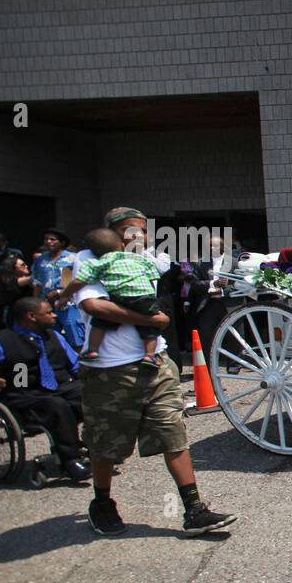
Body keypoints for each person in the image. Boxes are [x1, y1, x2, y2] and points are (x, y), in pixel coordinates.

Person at [72, 220, 236, 537]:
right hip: (111, 369)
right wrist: (151, 318)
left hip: (155, 362)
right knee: (107, 444)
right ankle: (102, 502)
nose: (141, 235)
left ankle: (194, 510)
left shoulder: (142, 255)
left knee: (172, 433)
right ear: (114, 233)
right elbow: (93, 305)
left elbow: (164, 268)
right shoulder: (89, 258)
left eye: (143, 230)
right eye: (131, 230)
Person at [0, 297, 90, 481]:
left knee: (89, 394)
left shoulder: (54, 336)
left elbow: (75, 365)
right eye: (49, 312)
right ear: (31, 316)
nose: (53, 316)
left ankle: (97, 445)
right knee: (55, 405)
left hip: (58, 387)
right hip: (21, 394)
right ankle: (70, 460)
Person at [63, 228, 165, 365]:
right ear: (122, 245)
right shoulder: (137, 258)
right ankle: (150, 355)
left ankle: (93, 350)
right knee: (150, 328)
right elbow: (153, 274)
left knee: (100, 322)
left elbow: (80, 281)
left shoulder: (97, 262)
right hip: (144, 296)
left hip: (119, 297)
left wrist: (65, 295)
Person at [29, 227, 84, 349]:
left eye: (52, 239)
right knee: (51, 337)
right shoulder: (40, 260)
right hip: (47, 305)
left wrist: (61, 292)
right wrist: (35, 303)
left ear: (62, 243)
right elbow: (37, 282)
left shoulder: (74, 258)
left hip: (68, 303)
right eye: (46, 239)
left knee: (75, 335)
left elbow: (81, 280)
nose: (48, 242)